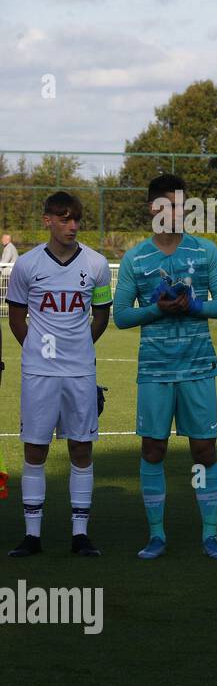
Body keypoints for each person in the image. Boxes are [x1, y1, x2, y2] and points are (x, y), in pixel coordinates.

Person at [114, 174, 217, 559]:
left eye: (184, 205)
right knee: (152, 449)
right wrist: (155, 309)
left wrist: (195, 306)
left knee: (204, 450)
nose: (180, 212)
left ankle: (210, 535)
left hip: (198, 367)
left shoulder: (205, 252)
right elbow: (119, 316)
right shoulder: (136, 259)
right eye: (171, 205)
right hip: (155, 369)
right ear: (154, 209)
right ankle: (157, 535)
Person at [5, 192, 112, 558]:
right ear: (47, 220)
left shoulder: (97, 264)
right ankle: (32, 536)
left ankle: (80, 534)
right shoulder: (27, 264)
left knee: (81, 448)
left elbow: (101, 314)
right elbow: (16, 316)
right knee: (35, 449)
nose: (73, 226)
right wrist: (37, 350)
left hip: (80, 372)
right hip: (39, 373)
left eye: (76, 219)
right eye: (64, 219)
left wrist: (78, 347)